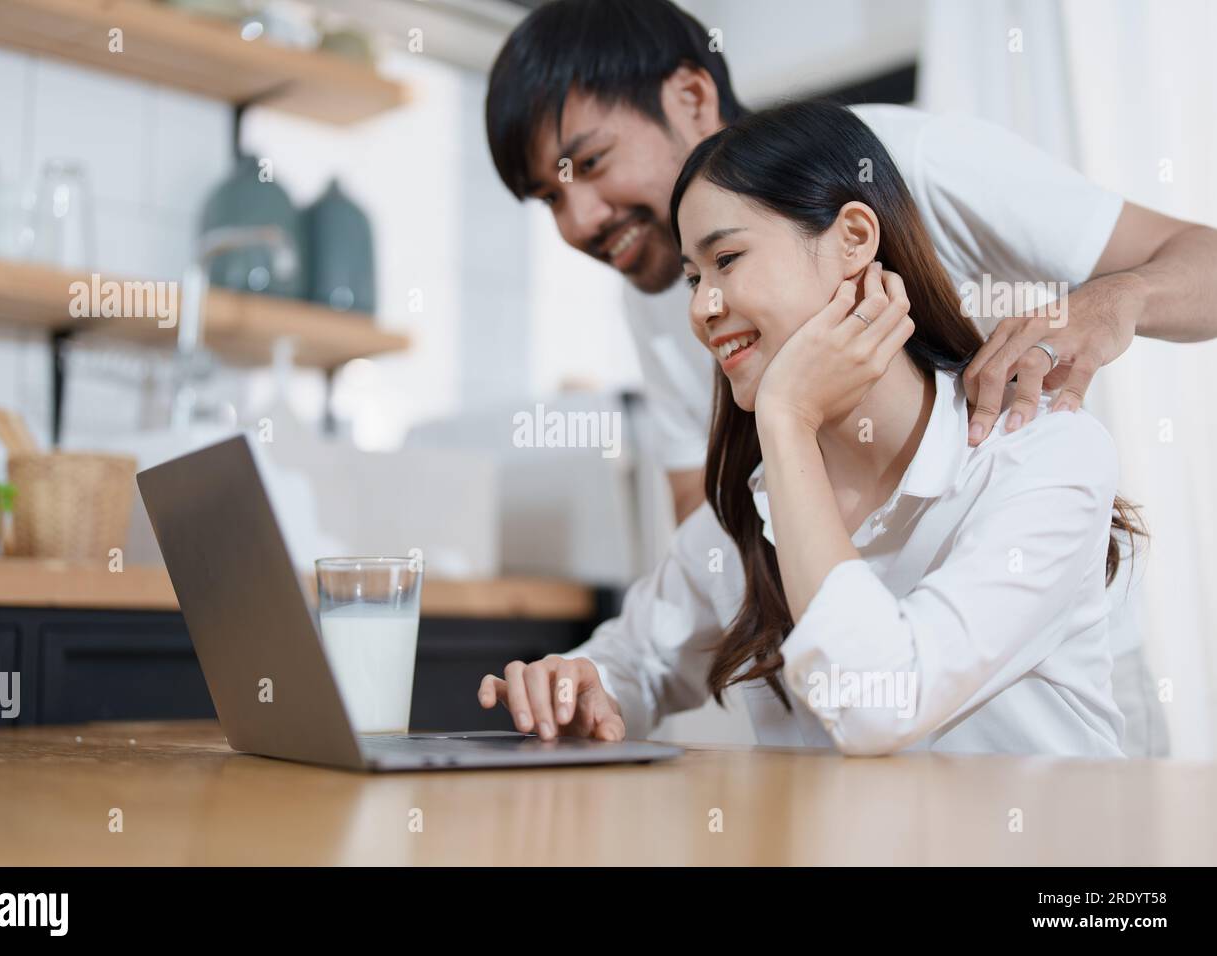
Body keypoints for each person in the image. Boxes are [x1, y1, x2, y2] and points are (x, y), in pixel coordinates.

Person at [478, 0, 1217, 753]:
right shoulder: (661, 287)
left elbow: (1205, 258)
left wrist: (1114, 300)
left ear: (690, 96)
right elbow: (710, 565)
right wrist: (593, 683)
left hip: (1030, 676)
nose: (574, 225)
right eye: (548, 198)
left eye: (589, 162)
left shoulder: (911, 162)